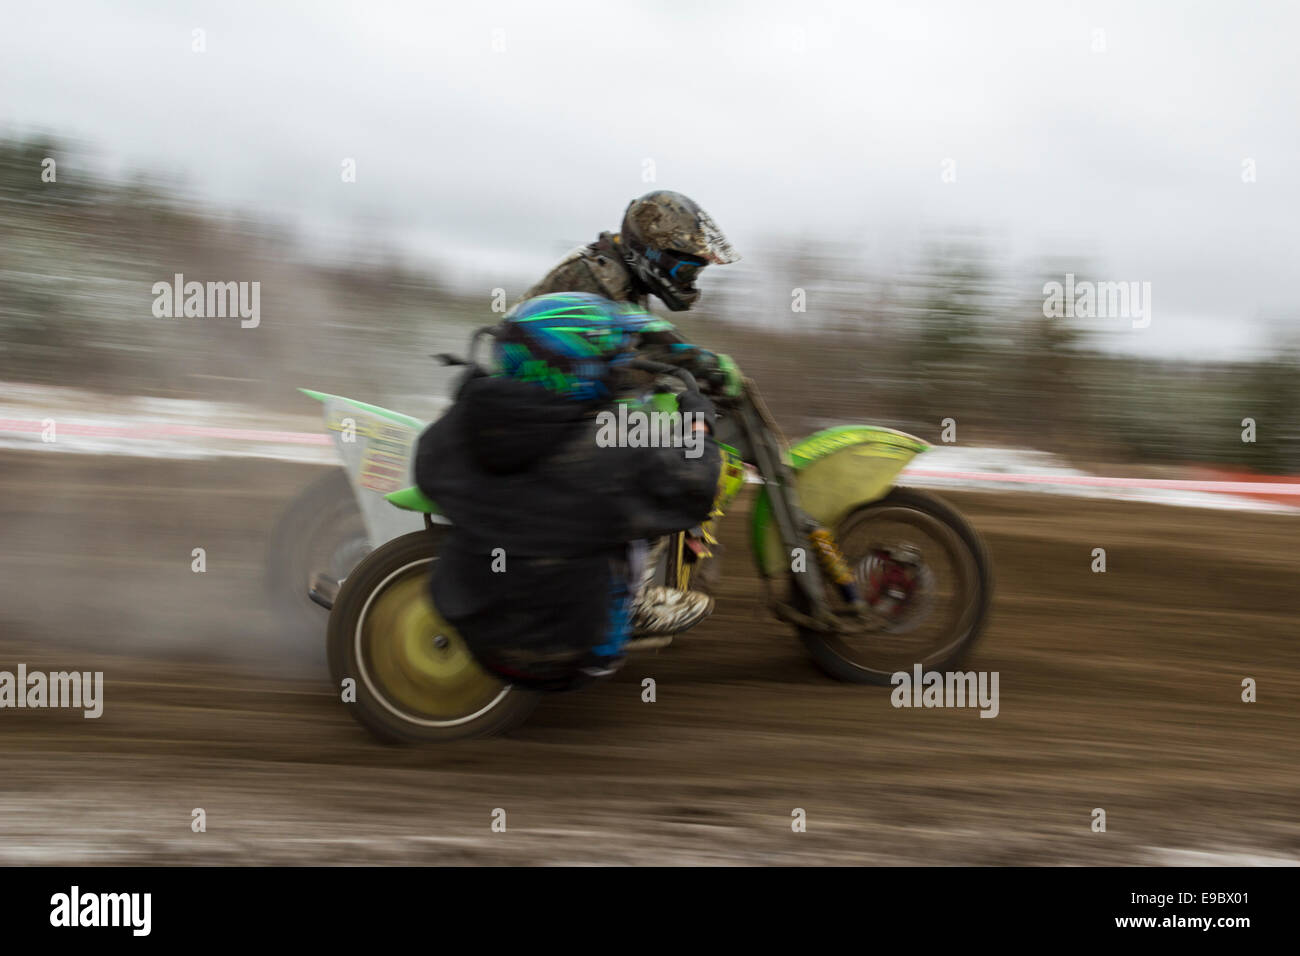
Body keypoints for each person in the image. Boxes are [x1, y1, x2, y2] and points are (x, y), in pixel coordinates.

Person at [414, 292, 722, 690]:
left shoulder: (454, 429)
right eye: (611, 360)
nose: (620, 368)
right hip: (570, 656)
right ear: (573, 367)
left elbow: (430, 475)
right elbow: (698, 488)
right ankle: (637, 607)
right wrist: (699, 425)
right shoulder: (614, 449)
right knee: (647, 519)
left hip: (472, 631)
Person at [523, 189, 743, 634]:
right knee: (659, 464)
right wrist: (703, 364)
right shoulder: (597, 278)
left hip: (549, 409)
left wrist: (673, 379)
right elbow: (644, 338)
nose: (692, 275)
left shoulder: (617, 273)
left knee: (653, 425)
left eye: (697, 267)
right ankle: (629, 600)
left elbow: (624, 352)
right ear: (648, 252)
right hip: (536, 419)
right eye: (684, 265)